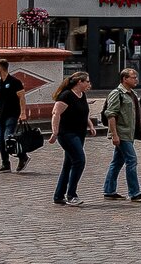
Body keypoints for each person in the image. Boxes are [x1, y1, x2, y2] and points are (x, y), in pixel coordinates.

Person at [101, 67, 141, 201]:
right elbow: (111, 115)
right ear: (124, 79)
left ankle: (109, 191)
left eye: (136, 77)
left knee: (117, 162)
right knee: (131, 160)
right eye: (133, 77)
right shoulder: (117, 93)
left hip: (130, 133)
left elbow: (138, 112)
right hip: (122, 133)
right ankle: (134, 193)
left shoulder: (132, 94)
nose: (136, 80)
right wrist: (114, 135)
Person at [47, 71, 93, 206]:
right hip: (67, 134)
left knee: (68, 164)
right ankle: (71, 194)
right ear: (80, 82)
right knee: (79, 160)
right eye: (87, 81)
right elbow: (56, 113)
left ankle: (58, 195)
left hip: (80, 133)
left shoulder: (81, 95)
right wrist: (55, 132)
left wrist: (90, 125)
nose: (89, 84)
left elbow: (84, 113)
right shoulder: (66, 96)